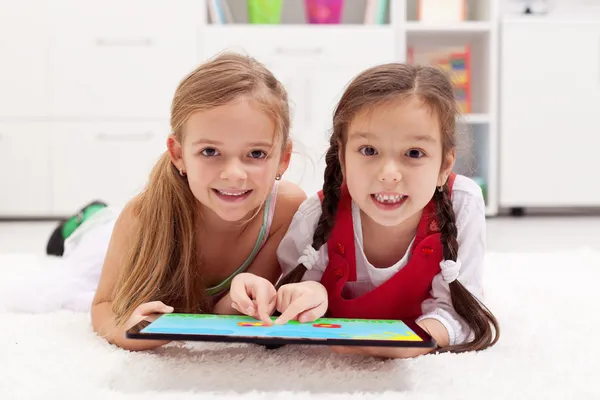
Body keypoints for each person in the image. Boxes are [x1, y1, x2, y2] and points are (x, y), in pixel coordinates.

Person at [1, 53, 306, 351]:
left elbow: (227, 307)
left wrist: (247, 301)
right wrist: (128, 330)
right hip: (112, 239)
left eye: (256, 154)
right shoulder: (140, 216)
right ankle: (85, 217)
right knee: (90, 241)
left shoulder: (286, 209)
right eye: (210, 152)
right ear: (178, 154)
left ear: (283, 159)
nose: (234, 175)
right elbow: (103, 305)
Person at [235, 63, 500, 358]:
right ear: (343, 157)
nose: (389, 174)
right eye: (369, 151)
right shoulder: (318, 216)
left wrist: (413, 341)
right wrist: (308, 296)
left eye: (414, 153)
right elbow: (293, 293)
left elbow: (464, 314)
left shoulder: (462, 202)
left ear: (445, 165)